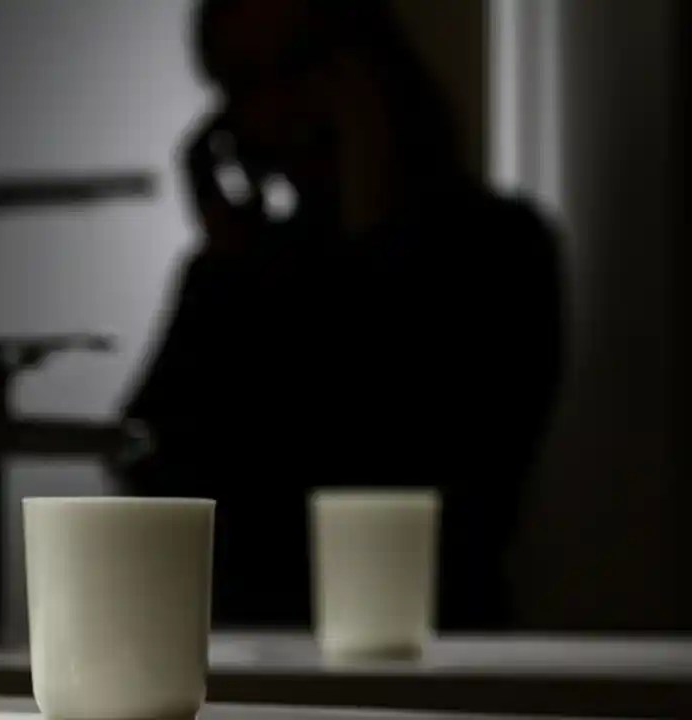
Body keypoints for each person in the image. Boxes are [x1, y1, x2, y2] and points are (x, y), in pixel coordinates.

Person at [119, 0, 562, 628]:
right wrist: (225, 269)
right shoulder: (243, 270)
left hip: (435, 642)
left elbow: (430, 465)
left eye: (299, 68)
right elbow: (151, 461)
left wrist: (375, 235)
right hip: (253, 649)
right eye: (243, 83)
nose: (275, 109)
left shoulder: (499, 247)